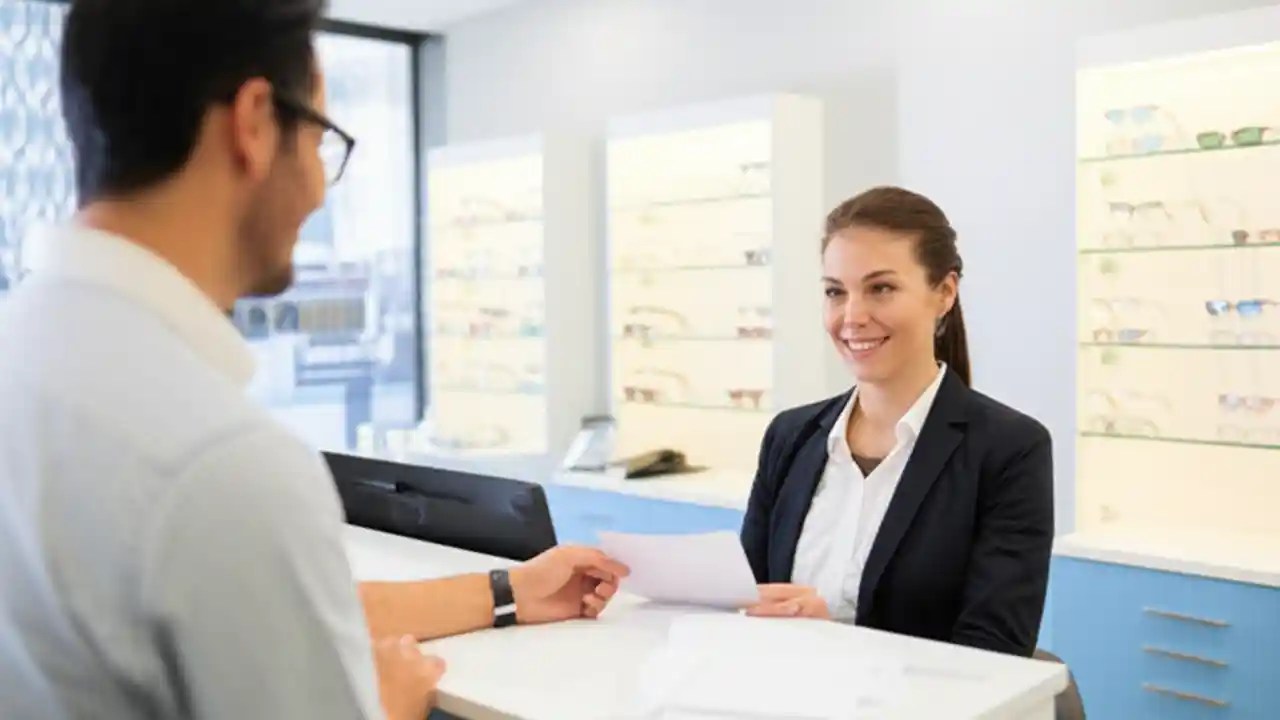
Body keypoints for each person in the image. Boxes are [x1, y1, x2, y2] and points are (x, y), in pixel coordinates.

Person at [0, 2, 627, 720]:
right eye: (324, 139)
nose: (321, 190)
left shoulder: (30, 356)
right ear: (256, 123)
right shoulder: (218, 461)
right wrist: (385, 706)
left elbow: (244, 607)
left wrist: (508, 591)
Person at [740, 186, 1053, 657]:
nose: (852, 316)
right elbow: (746, 599)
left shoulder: (1010, 449)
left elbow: (995, 652)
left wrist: (838, 637)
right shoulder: (790, 436)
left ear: (945, 292)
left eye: (880, 288)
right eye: (835, 292)